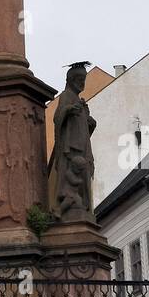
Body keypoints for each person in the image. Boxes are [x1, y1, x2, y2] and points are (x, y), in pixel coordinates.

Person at [47, 62, 96, 217]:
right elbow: (57, 118)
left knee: (84, 179)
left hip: (82, 146)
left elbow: (85, 129)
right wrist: (68, 110)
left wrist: (89, 122)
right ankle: (69, 207)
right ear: (72, 79)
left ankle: (84, 207)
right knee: (74, 179)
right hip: (71, 148)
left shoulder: (79, 100)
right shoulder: (66, 96)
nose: (83, 82)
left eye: (84, 78)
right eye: (80, 78)